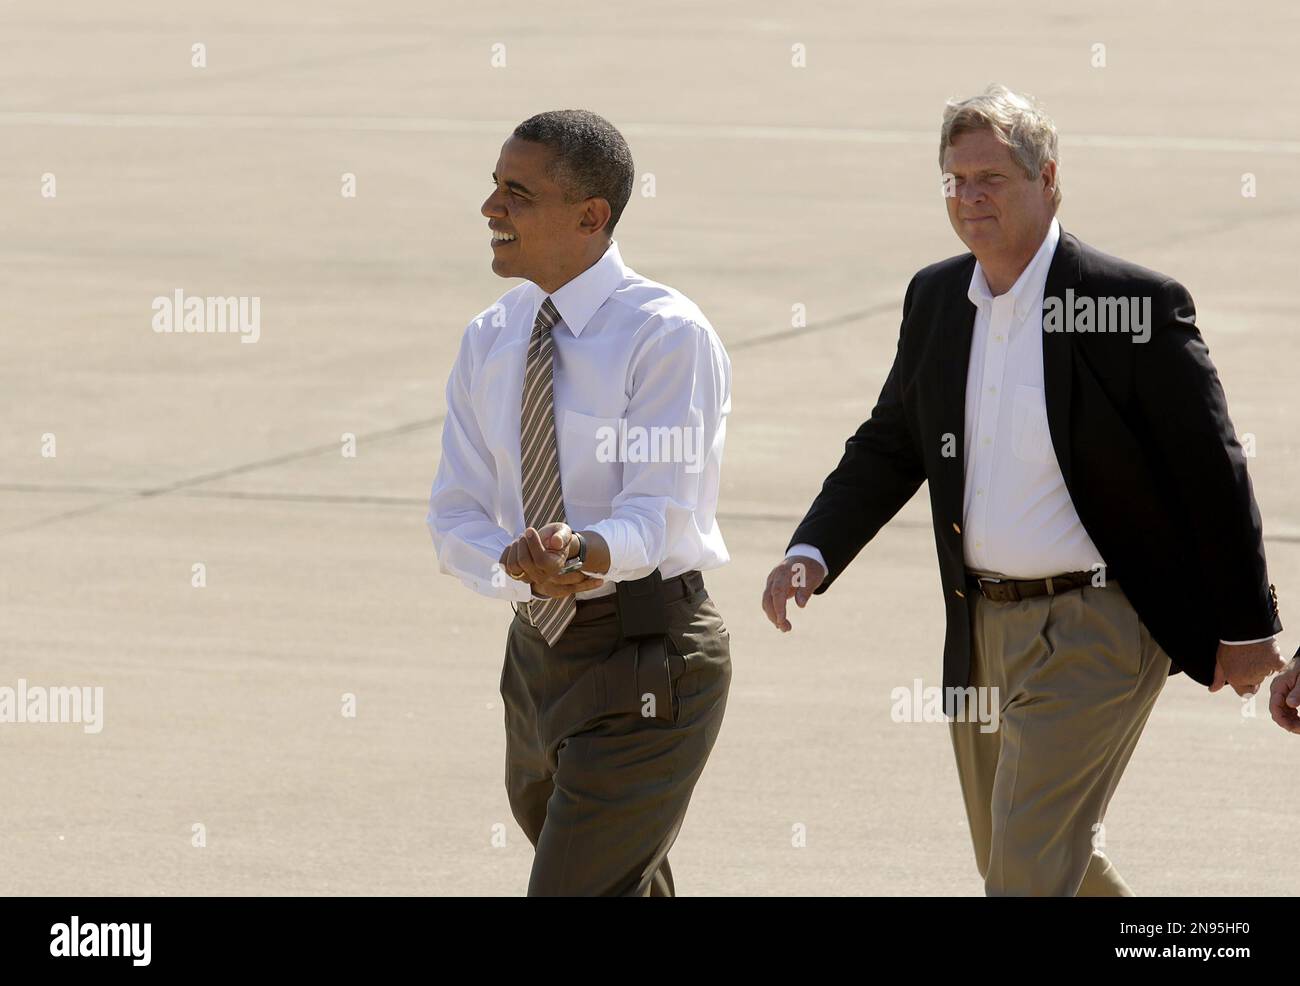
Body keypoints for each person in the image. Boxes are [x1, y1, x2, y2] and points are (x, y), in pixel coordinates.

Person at [762, 84, 1283, 895]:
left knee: (1027, 870)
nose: (970, 198)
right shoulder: (936, 298)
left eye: (992, 179)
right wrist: (813, 549)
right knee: (1023, 860)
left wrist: (1247, 625)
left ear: (1049, 181)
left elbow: (1211, 466)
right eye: (956, 180)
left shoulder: (1130, 303)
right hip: (979, 625)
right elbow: (891, 442)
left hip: (1099, 627)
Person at [427, 109, 732, 896]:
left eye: (516, 194)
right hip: (535, 655)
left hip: (649, 653)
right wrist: (520, 570)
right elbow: (455, 512)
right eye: (495, 188)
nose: (491, 209)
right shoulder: (490, 336)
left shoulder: (665, 335)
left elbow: (659, 515)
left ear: (590, 217)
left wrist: (577, 554)